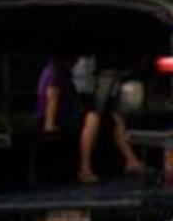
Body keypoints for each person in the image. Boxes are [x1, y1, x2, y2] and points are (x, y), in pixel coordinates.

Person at [37, 52, 144, 184]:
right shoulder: (55, 71)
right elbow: (52, 95)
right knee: (92, 118)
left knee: (115, 118)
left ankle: (131, 161)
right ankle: (85, 168)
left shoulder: (65, 72)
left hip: (70, 113)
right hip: (58, 116)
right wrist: (49, 124)